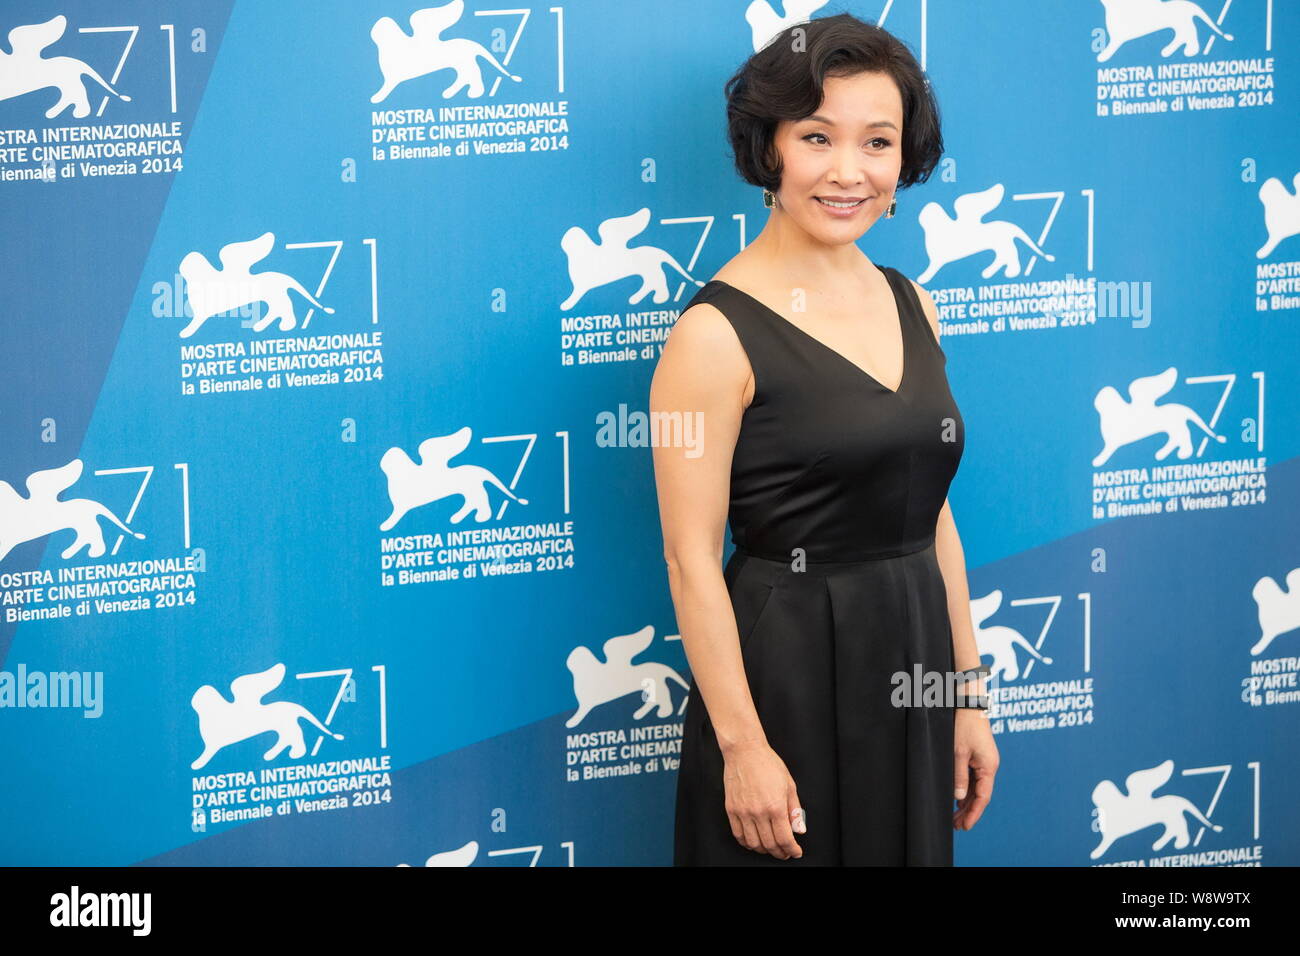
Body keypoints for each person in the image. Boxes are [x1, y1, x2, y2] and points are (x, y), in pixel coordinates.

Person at [650, 13, 999, 865]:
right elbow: (691, 561)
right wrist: (742, 746)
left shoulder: (913, 300)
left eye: (877, 142)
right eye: (817, 137)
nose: (848, 172)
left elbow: (933, 516)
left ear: (902, 159)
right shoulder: (711, 334)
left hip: (912, 659)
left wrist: (966, 695)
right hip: (785, 680)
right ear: (769, 148)